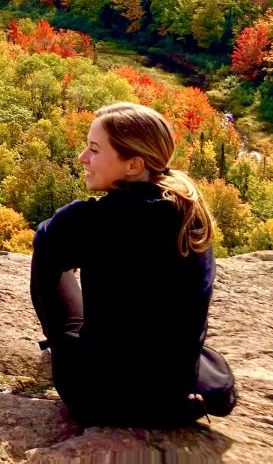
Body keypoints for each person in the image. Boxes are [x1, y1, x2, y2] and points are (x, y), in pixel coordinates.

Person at [30, 102, 221, 428]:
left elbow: (45, 240)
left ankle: (62, 343)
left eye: (94, 150)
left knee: (49, 256)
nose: (82, 158)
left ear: (133, 165)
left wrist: (78, 245)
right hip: (170, 398)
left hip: (99, 399)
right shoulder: (190, 210)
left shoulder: (94, 221)